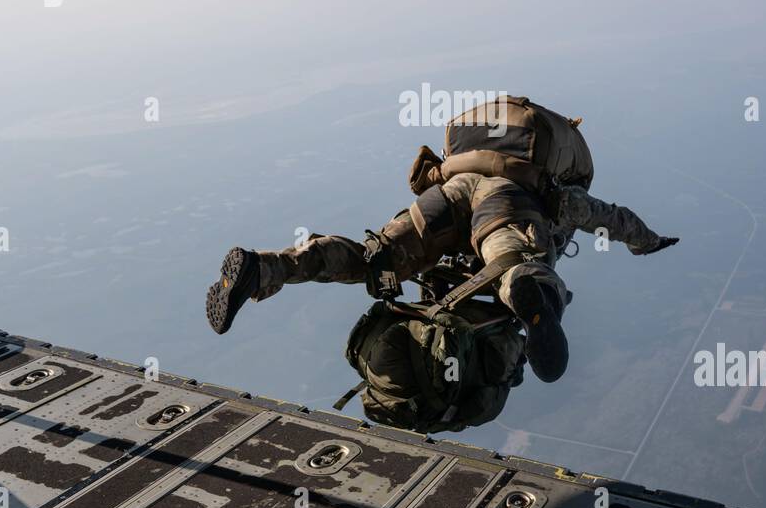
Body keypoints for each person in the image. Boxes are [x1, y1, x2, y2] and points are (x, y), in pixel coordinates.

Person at [205, 96, 677, 385]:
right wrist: (648, 242)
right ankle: (529, 293)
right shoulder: (563, 193)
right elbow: (614, 219)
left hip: (448, 193)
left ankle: (266, 268)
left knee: (375, 257)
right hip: (505, 199)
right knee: (510, 255)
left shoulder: (470, 156)